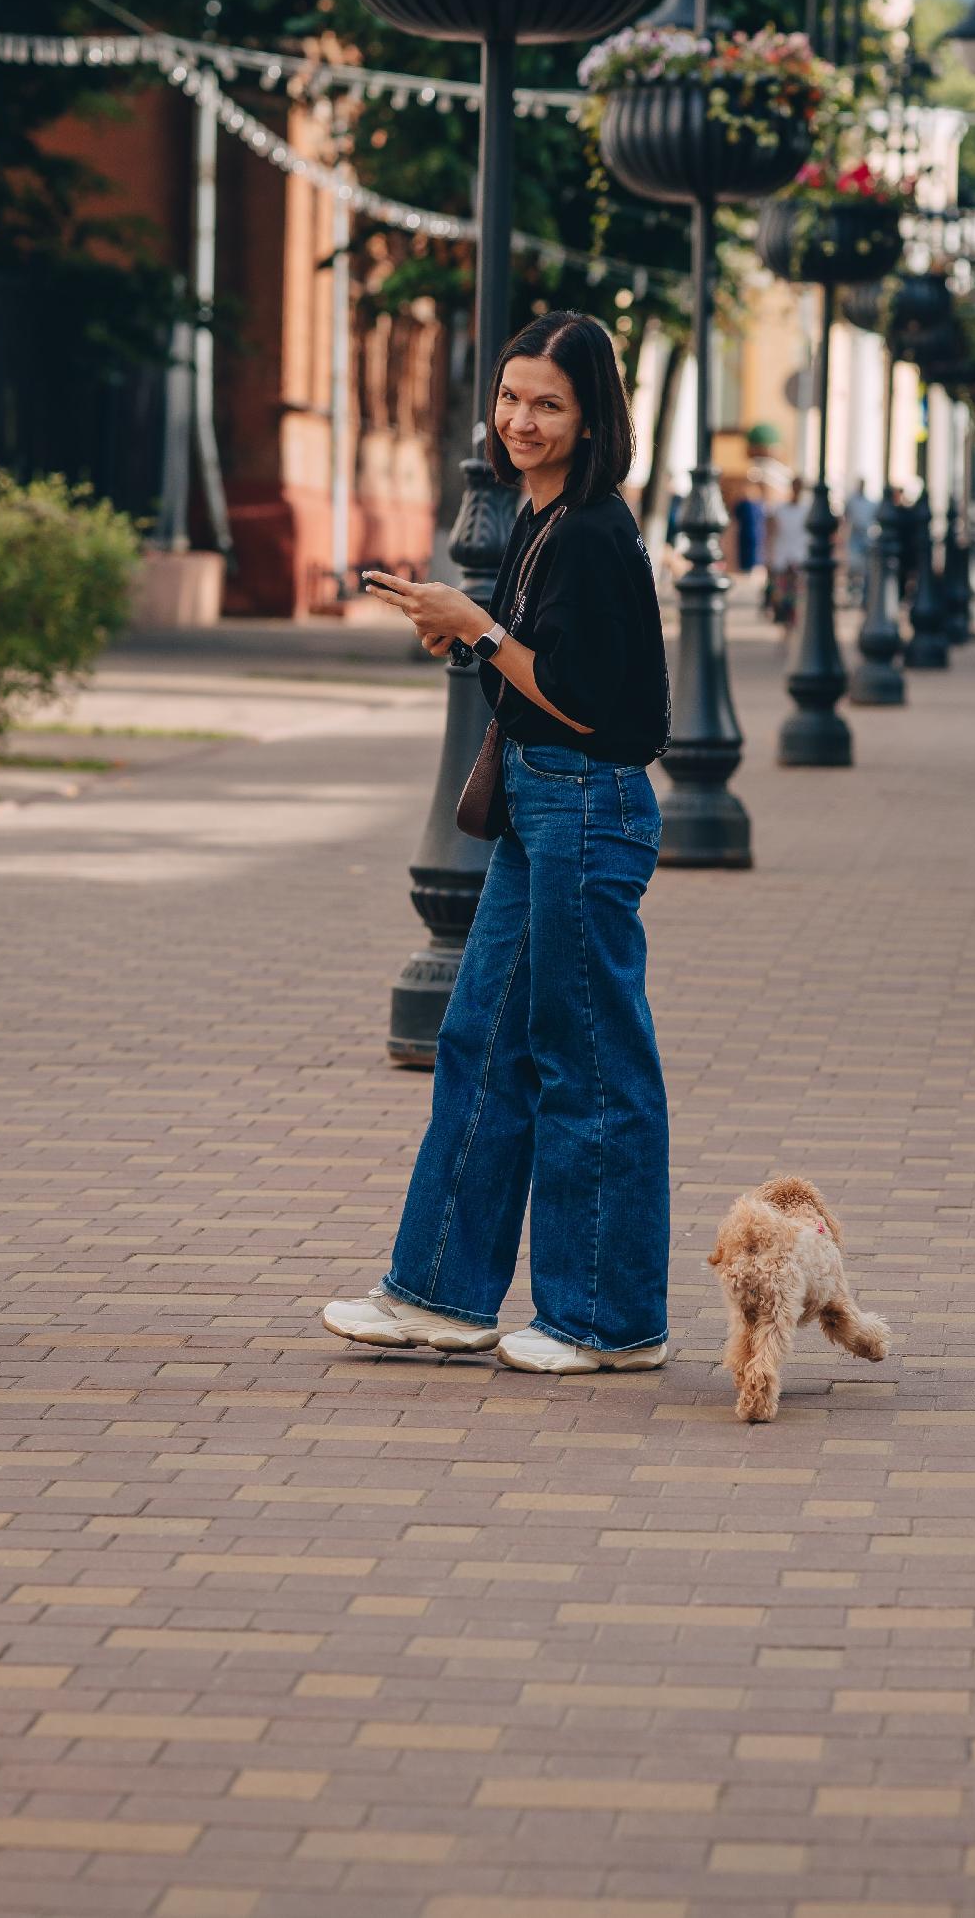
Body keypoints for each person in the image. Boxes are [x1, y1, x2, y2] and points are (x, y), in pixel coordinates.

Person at [323, 312, 673, 1371]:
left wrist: (476, 628)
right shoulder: (540, 514)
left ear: (591, 415)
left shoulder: (596, 530)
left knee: (590, 1062)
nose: (521, 420)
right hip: (537, 805)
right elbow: (531, 661)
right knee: (480, 1040)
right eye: (510, 397)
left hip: (585, 805)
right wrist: (461, 623)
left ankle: (608, 1322)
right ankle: (440, 1293)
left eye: (548, 404)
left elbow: (574, 699)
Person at [766, 477, 808, 627]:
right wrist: (770, 556)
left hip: (799, 557)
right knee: (782, 594)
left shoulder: (806, 510)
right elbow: (770, 533)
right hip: (783, 557)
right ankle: (784, 620)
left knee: (796, 595)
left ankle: (792, 621)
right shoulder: (779, 509)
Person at [844, 478, 877, 603]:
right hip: (855, 536)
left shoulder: (869, 503)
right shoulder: (852, 501)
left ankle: (863, 595)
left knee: (865, 568)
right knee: (853, 567)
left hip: (865, 537)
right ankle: (853, 593)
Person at [733, 482, 765, 579]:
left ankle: (750, 569)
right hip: (746, 534)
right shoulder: (744, 505)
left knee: (753, 552)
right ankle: (746, 569)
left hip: (754, 534)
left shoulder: (757, 505)